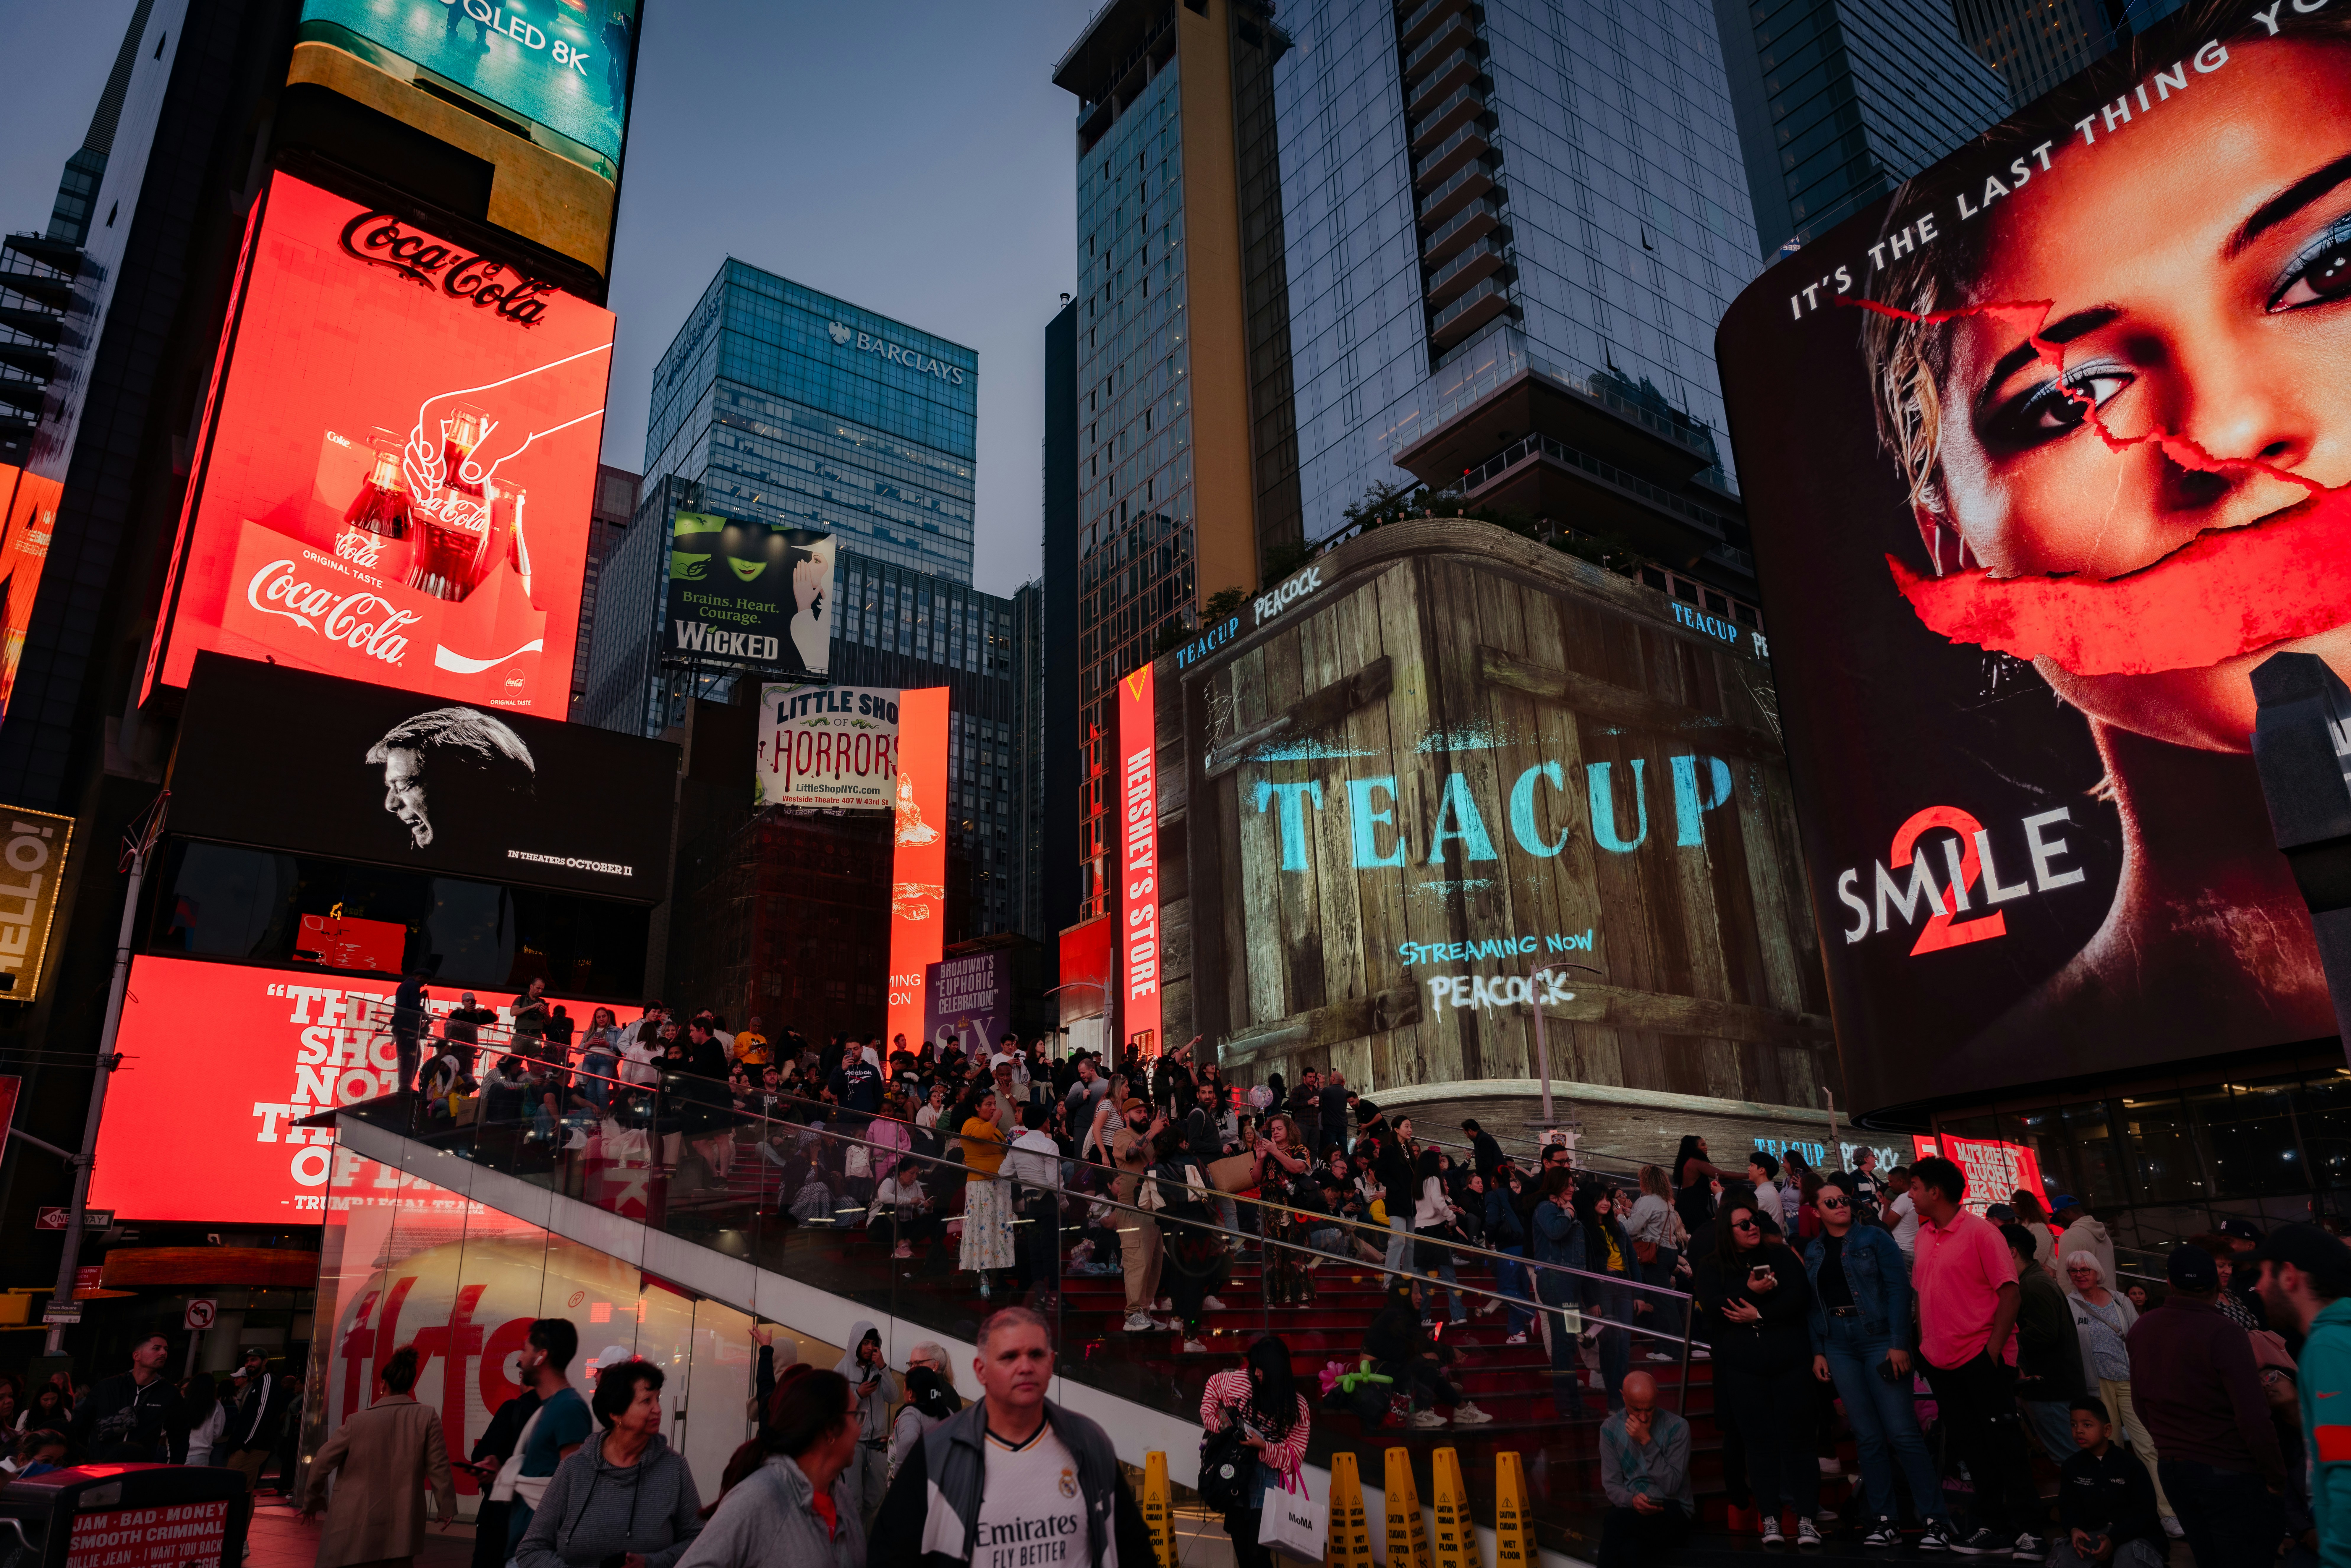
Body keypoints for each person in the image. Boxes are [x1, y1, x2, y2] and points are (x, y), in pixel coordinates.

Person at [867, 1306, 1154, 1568]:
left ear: (1051, 1363)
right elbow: (890, 1553)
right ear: (981, 1370)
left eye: (1036, 1355)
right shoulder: (937, 1453)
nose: (1025, 1367)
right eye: (1009, 1357)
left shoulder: (1088, 1444)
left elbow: (1133, 1551)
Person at [1802, 1173, 1952, 1548]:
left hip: (1878, 1339)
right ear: (1815, 1210)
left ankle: (1935, 1518)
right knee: (1867, 1437)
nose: (1840, 1206)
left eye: (1843, 1200)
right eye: (1830, 1202)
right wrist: (1818, 1349)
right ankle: (1883, 1520)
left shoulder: (1874, 1238)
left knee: (1902, 1432)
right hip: (1837, 1343)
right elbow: (1812, 1305)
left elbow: (1898, 1290)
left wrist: (1899, 1342)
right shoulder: (1814, 1251)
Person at [1909, 1155, 2042, 1556]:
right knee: (1971, 1447)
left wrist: (1992, 1352)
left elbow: (2010, 1293)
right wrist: (1925, 1350)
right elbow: (1921, 1296)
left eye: (1915, 1187)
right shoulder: (1922, 1235)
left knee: (2004, 1443)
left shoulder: (1983, 1233)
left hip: (1981, 1357)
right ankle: (1992, 1526)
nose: (1910, 1195)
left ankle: (2030, 1530)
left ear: (1936, 1191)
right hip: (1941, 1361)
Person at [2126, 1245, 2286, 1568]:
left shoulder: (2143, 1328)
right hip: (2227, 1468)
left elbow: (2139, 1401)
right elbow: (2253, 1416)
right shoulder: (2224, 1331)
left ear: (2169, 1283)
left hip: (2174, 1467)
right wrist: (2275, 1475)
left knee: (2207, 1558)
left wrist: (2167, 1444)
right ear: (2217, 1285)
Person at [1692, 1194, 1818, 1546]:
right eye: (1744, 1224)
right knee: (1759, 1446)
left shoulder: (1779, 1256)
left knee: (1798, 1442)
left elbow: (1798, 1298)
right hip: (1743, 1369)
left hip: (1789, 1363)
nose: (1753, 1228)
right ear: (1726, 1230)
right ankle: (1770, 1519)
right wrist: (1747, 1290)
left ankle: (1807, 1517)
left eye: (1755, 1222)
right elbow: (1712, 1306)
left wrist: (1759, 1314)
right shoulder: (1712, 1265)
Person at [514, 1358, 702, 1568]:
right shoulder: (574, 1468)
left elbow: (698, 1540)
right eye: (646, 1401)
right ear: (615, 1414)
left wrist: (650, 1563)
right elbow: (531, 1549)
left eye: (658, 1399)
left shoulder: (674, 1468)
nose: (657, 1409)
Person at [677, 1369, 863, 1568]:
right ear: (831, 1429)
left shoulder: (843, 1498)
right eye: (856, 1416)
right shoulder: (761, 1496)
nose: (860, 1428)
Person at [303, 1345, 457, 1568]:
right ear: (410, 1385)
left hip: (357, 1523)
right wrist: (446, 1506)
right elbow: (439, 1466)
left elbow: (321, 1464)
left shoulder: (357, 1422)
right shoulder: (426, 1416)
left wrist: (313, 1500)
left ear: (382, 1385)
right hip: (402, 1525)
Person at [2250, 1222, 2351, 1560]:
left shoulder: (2328, 1348)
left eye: (2264, 1274)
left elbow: (2345, 1470)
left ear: (2289, 1276)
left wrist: (2337, 1557)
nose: (2258, 1287)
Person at [1200, 1336, 1311, 1568]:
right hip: (1236, 1472)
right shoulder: (1241, 1381)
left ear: (1276, 1370)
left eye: (1261, 1368)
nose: (1256, 1373)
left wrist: (1264, 1447)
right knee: (1243, 1553)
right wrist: (1222, 1427)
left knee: (1257, 1555)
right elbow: (1213, 1386)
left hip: (1268, 1478)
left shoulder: (1297, 1406)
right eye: (1254, 1367)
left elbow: (1294, 1458)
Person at [501, 1318, 593, 1555]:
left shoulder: (569, 1408)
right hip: (526, 1547)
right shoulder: (552, 1406)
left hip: (541, 1552)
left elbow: (572, 1486)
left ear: (541, 1357)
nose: (520, 1360)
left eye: (525, 1350)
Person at [2005, 1222, 2089, 1461]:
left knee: (2070, 1460)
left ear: (2012, 1252)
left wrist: (2005, 1339)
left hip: (2051, 1390)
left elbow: (2044, 1333)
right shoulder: (2035, 1280)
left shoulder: (2033, 1285)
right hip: (2054, 1388)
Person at [2051, 1398, 2166, 1568]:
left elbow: (2145, 1514)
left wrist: (2114, 1539)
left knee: (2129, 1557)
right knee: (2067, 1557)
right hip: (2093, 1536)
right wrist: (2074, 1529)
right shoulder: (2071, 1466)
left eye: (2087, 1425)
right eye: (2074, 1425)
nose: (2079, 1431)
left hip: (2133, 1536)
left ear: (2107, 1430)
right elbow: (2069, 1505)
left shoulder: (2131, 1465)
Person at [1597, 1371, 1693, 1568]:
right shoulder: (1609, 1429)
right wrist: (1631, 1501)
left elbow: (1672, 1486)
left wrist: (1646, 1442)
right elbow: (1612, 1485)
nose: (1642, 1417)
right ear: (1623, 1397)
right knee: (1630, 1551)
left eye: (1649, 1409)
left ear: (1657, 1395)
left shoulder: (1678, 1428)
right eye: (1636, 1409)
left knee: (1614, 1520)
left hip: (1672, 1509)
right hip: (1632, 1511)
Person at [1529, 1164, 1589, 1418]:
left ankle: (1572, 1402)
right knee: (1563, 1342)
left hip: (1571, 1282)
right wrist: (1567, 1213)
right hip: (1556, 1280)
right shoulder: (1546, 1208)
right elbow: (1555, 1232)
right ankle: (1567, 1405)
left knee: (1570, 1339)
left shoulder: (1566, 1210)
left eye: (1573, 1185)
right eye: (1568, 1184)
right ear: (1556, 1185)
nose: (1572, 1188)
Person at [1576, 1180, 1638, 1412]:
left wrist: (1638, 1293)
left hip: (1623, 1286)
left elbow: (1632, 1260)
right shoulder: (1583, 1229)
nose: (1605, 1203)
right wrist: (1591, 1301)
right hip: (1601, 1287)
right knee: (1610, 1345)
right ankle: (1616, 1401)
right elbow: (1584, 1268)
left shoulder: (1618, 1227)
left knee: (1623, 1345)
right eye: (1600, 1199)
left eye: (1607, 1199)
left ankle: (1621, 1398)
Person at [71, 1331, 177, 1463]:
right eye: (157, 1348)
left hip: (138, 1470)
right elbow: (80, 1425)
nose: (163, 1353)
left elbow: (179, 1434)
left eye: (166, 1349)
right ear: (137, 1356)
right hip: (100, 1466)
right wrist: (83, 1457)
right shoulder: (108, 1387)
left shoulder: (169, 1392)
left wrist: (176, 1466)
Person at [832, 1322, 900, 1528]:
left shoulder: (878, 1369)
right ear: (856, 1344)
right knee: (853, 1498)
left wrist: (883, 1367)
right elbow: (834, 1409)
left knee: (877, 1495)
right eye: (866, 1343)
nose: (870, 1348)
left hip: (877, 1441)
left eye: (873, 1343)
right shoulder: (841, 1370)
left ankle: (855, 1534)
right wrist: (858, 1394)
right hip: (852, 1442)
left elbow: (893, 1396)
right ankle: (853, 1541)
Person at [1109, 1098, 1168, 1332]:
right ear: (1126, 1116)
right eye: (1138, 1112)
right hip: (1133, 1208)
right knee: (1137, 1261)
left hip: (1153, 1207)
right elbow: (1133, 1152)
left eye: (1146, 1111)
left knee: (1154, 1264)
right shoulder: (1122, 1136)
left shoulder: (1151, 1139)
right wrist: (1152, 1132)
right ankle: (1132, 1314)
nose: (1144, 1115)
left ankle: (1144, 1311)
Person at [1003, 1103, 1065, 1310]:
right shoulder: (1049, 1145)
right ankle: (1055, 1297)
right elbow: (1054, 1180)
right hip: (1048, 1201)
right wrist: (1064, 1202)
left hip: (1029, 1202)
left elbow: (1004, 1172)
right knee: (1051, 1250)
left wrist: (1024, 1176)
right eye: (1048, 1119)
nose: (1050, 1122)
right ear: (1042, 1122)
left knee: (1035, 1251)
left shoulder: (1017, 1145)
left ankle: (1040, 1298)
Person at [1625, 1165, 1685, 1360]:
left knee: (1664, 1304)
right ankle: (1662, 1348)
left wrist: (1618, 1218)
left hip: (1655, 1255)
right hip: (1671, 1253)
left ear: (1646, 1181)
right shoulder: (1666, 1201)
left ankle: (1672, 1350)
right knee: (1663, 1302)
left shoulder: (1647, 1201)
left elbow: (1631, 1229)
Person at [957, 1094, 1014, 1292]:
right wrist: (996, 1118)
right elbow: (981, 1135)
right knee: (982, 1230)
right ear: (977, 1107)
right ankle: (981, 1278)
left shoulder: (991, 1127)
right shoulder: (971, 1124)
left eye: (995, 1104)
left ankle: (998, 1276)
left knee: (997, 1233)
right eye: (988, 1104)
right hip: (981, 1185)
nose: (993, 1108)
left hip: (999, 1185)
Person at [1411, 1147, 1470, 1326]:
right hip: (1437, 1229)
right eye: (1438, 1161)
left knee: (1425, 1278)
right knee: (1448, 1275)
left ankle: (1423, 1316)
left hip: (1421, 1231)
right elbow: (1438, 1203)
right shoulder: (1435, 1180)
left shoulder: (1418, 1182)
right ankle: (1459, 1314)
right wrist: (1451, 1218)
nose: (1441, 1165)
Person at [887, 1366, 958, 1487]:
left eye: (904, 1388)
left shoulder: (911, 1413)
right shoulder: (947, 1412)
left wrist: (897, 1475)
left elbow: (908, 1440)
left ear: (910, 1393)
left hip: (913, 1489)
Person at [2057, 1198, 2118, 1292]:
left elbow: (2066, 1280)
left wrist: (2065, 1304)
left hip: (2087, 1303)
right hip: (2110, 1300)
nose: (2060, 1223)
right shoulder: (2105, 1237)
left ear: (2065, 1212)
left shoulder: (2070, 1235)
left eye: (2059, 1218)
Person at [181, 1373, 225, 1467]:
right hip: (201, 1455)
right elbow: (218, 1433)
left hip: (176, 1452)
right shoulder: (216, 1406)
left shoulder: (181, 1403)